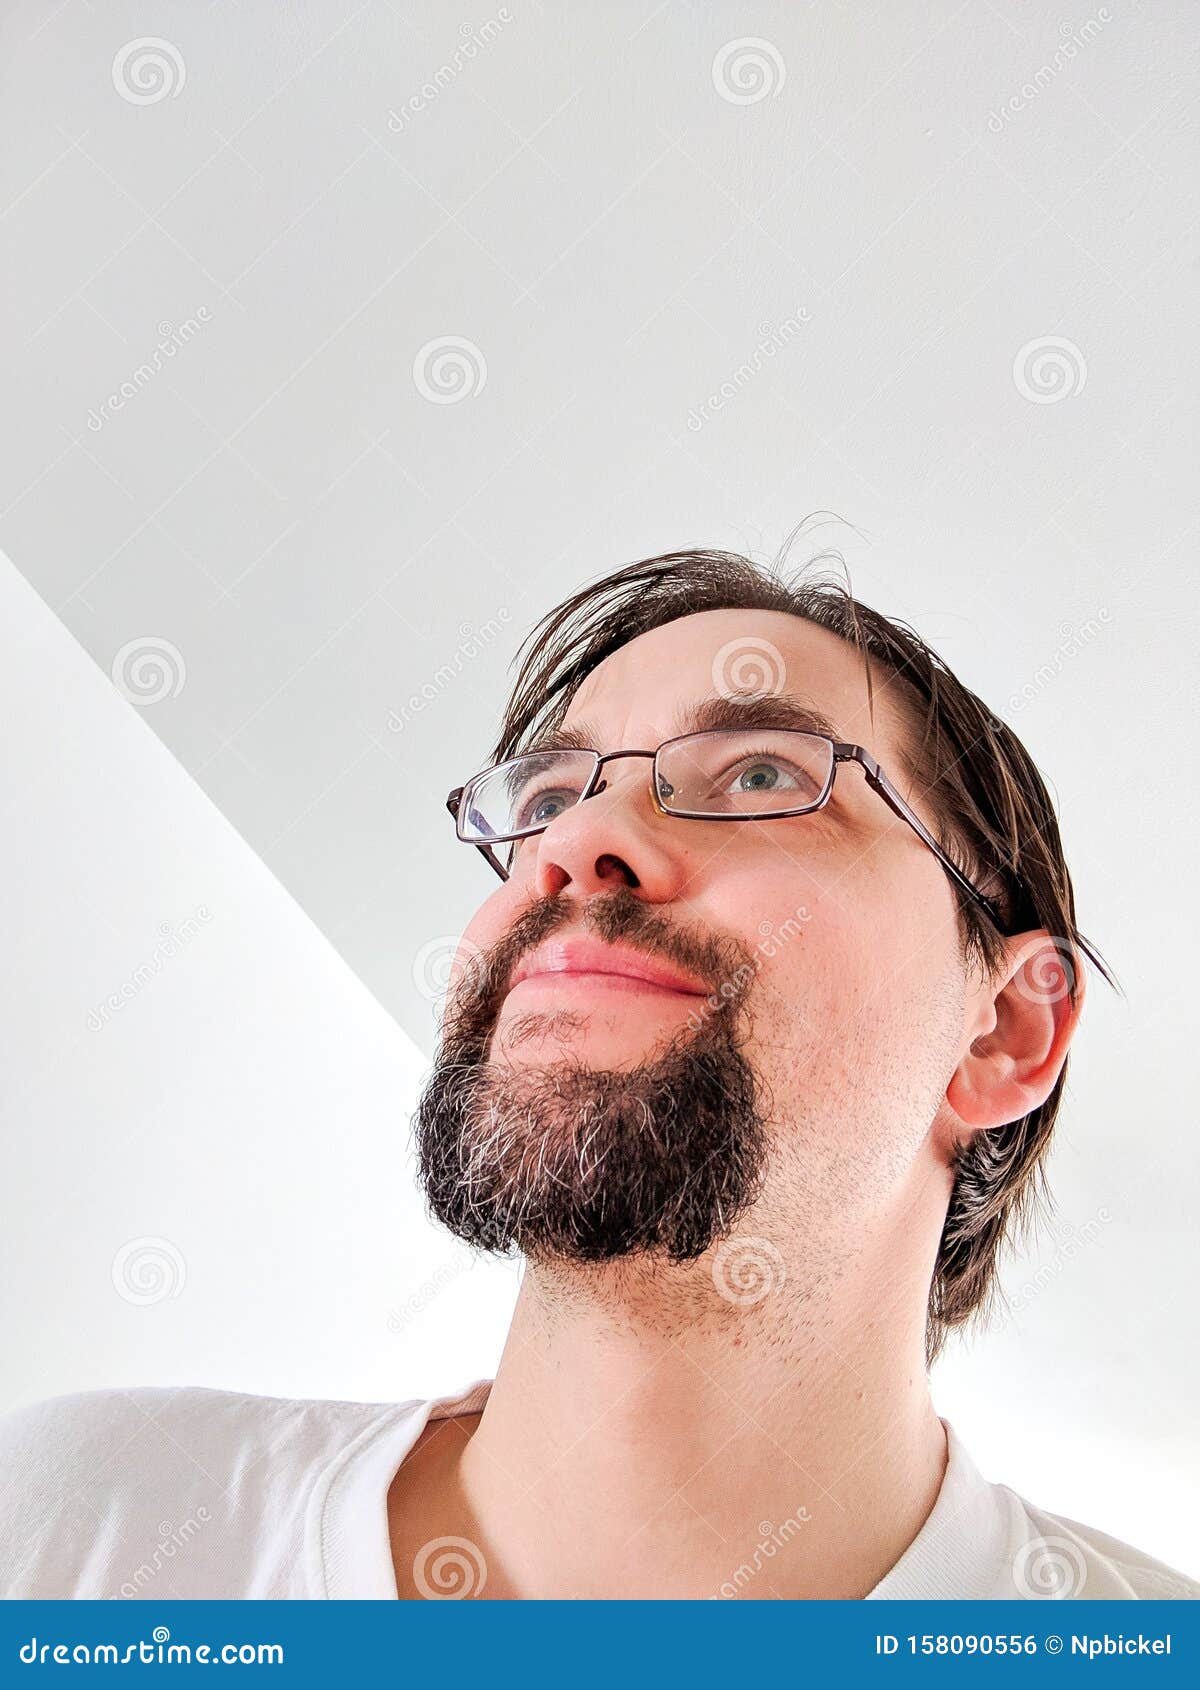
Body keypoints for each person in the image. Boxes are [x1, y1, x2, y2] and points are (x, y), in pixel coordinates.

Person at [2, 548, 1196, 1601]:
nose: (573, 844)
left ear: (1002, 1032)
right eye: (552, 797)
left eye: (765, 776)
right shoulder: (74, 1538)